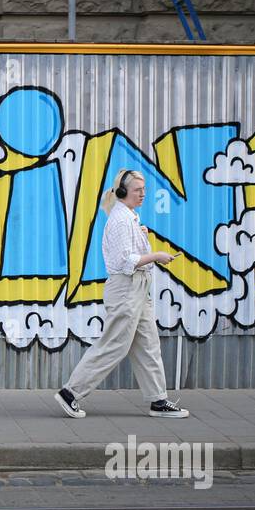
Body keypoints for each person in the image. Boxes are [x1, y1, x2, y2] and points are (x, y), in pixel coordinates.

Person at [55, 168, 188, 419]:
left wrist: (142, 237)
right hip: (126, 288)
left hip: (138, 288)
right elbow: (126, 261)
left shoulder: (130, 217)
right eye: (138, 190)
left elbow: (128, 251)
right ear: (124, 191)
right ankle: (70, 393)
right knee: (114, 345)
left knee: (148, 344)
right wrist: (156, 256)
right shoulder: (120, 220)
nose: (143, 194)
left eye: (144, 189)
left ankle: (158, 400)